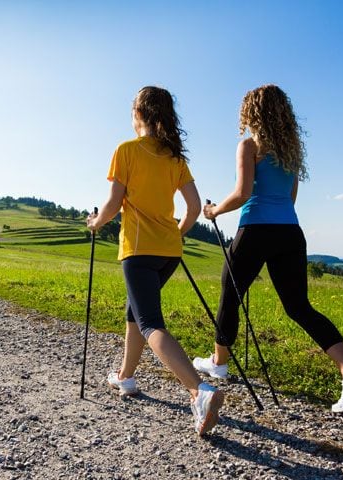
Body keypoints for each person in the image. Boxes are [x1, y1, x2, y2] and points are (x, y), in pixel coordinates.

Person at [194, 84, 343, 415]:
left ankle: (219, 363)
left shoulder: (249, 146)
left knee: (229, 294)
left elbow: (241, 193)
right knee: (299, 307)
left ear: (251, 113)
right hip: (290, 232)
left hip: (255, 229)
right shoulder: (291, 151)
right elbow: (290, 198)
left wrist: (213, 212)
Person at [87, 86, 224, 435]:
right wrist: (177, 232)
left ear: (139, 114)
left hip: (137, 250)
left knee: (150, 323)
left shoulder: (126, 150)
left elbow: (114, 204)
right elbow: (193, 208)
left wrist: (95, 222)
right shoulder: (176, 158)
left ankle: (200, 391)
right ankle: (126, 377)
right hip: (169, 251)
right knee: (134, 312)